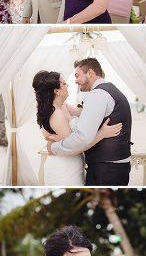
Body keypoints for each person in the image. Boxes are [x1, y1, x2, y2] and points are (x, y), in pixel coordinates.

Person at [45, 58, 132, 187]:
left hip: (106, 168)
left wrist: (54, 147)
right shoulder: (111, 90)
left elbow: (82, 137)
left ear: (89, 72)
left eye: (77, 75)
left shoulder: (97, 95)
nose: (75, 81)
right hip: (116, 165)